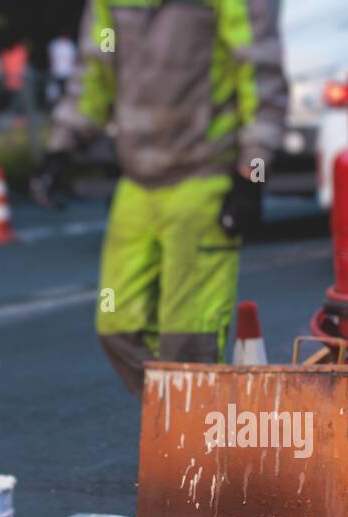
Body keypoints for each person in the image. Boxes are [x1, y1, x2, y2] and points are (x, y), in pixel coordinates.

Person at [32, 0, 287, 395]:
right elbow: (96, 67)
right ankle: (181, 422)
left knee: (188, 343)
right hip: (136, 184)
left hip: (204, 183)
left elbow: (259, 74)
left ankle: (190, 438)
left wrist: (252, 173)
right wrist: (61, 149)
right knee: (117, 328)